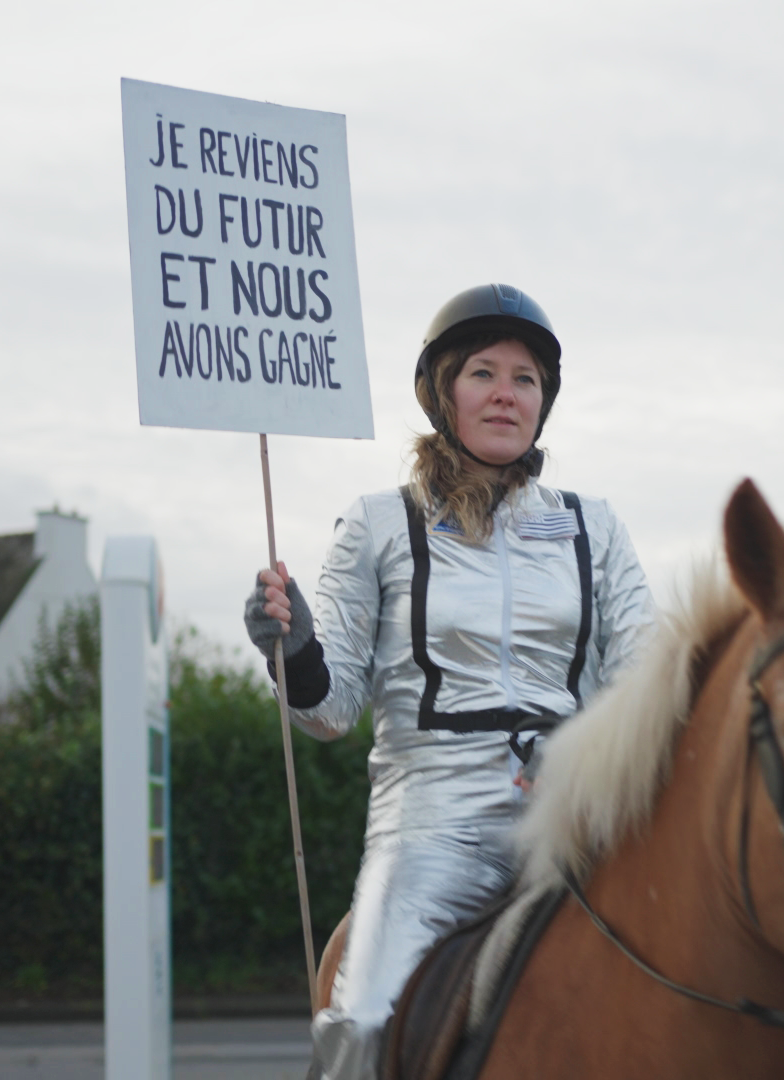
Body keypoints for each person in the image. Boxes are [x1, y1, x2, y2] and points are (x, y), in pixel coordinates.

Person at [245, 283, 653, 1080]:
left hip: (571, 826)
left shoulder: (596, 525)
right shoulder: (376, 523)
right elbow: (330, 709)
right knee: (363, 1022)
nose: (506, 393)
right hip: (430, 828)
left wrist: (580, 769)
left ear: (543, 402)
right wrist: (290, 647)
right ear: (444, 395)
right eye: (483, 374)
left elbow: (644, 681)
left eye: (525, 379)